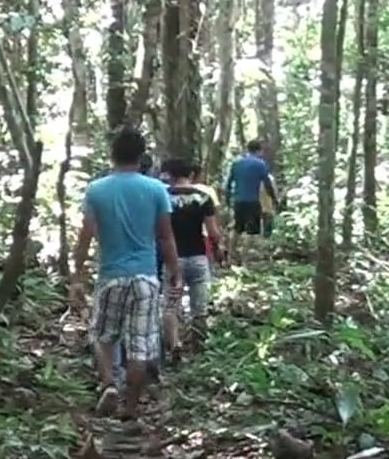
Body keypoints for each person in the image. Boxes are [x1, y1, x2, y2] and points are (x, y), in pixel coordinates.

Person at [71, 126, 181, 420]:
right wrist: (175, 272)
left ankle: (109, 383)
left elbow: (85, 236)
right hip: (145, 277)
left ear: (112, 154)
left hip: (111, 275)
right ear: (141, 156)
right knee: (140, 346)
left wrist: (77, 276)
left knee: (103, 335)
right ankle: (130, 409)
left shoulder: (96, 190)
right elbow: (166, 237)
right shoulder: (156, 189)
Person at [159, 157, 223, 356]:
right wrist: (219, 249)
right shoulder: (203, 197)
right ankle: (199, 348)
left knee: (171, 304)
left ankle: (174, 344)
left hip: (172, 259)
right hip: (198, 257)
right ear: (191, 175)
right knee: (200, 307)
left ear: (170, 175)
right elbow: (213, 231)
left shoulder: (163, 197)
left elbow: (159, 231)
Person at [225, 140, 274, 239]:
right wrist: (274, 198)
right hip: (253, 202)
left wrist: (228, 199)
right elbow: (267, 183)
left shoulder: (236, 163)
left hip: (238, 201)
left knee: (237, 228)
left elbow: (228, 184)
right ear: (259, 151)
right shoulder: (260, 164)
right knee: (252, 231)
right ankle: (247, 254)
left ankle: (231, 252)